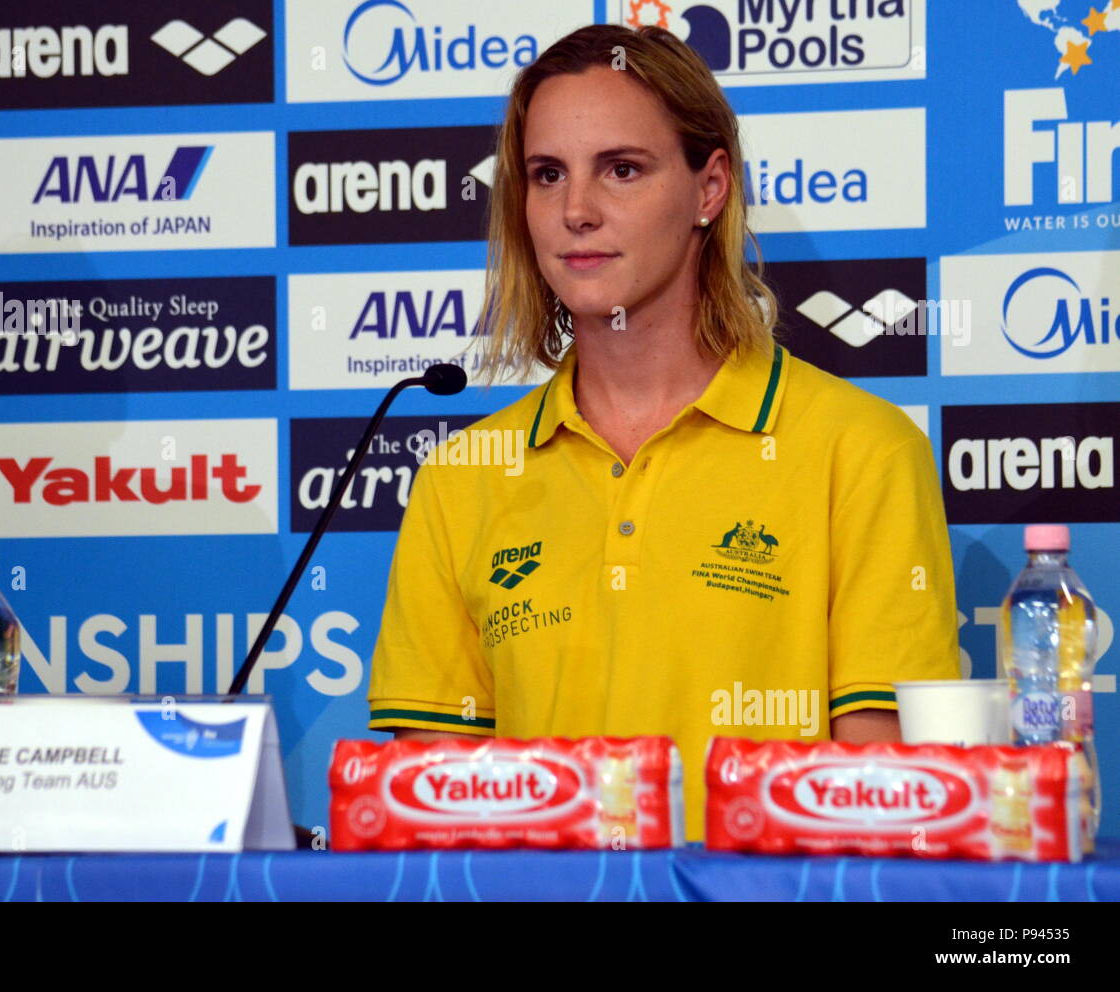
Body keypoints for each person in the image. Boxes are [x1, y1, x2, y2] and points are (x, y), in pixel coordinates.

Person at [366, 24, 959, 841]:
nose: (576, 210)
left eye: (622, 169)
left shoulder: (862, 451)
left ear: (709, 188)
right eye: (547, 175)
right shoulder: (462, 477)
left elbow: (882, 797)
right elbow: (437, 814)